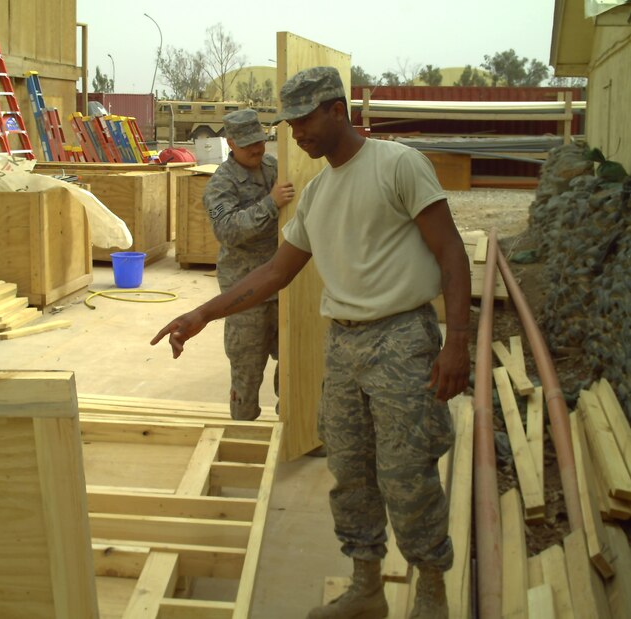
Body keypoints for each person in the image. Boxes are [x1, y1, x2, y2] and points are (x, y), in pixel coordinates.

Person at [152, 67, 471, 619]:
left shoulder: (398, 165)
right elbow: (276, 272)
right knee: (349, 472)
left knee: (407, 473)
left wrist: (457, 342)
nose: (296, 134)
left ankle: (431, 592)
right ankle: (367, 587)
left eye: (304, 121)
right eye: (290, 124)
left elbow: (451, 252)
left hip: (401, 340)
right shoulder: (319, 193)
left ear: (336, 110)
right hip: (343, 346)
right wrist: (202, 313)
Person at [202, 108, 294, 420]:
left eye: (259, 141)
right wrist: (271, 204)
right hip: (246, 294)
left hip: (282, 285)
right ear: (230, 143)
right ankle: (243, 429)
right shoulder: (220, 183)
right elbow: (227, 230)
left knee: (292, 364)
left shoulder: (274, 167)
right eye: (248, 144)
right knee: (247, 371)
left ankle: (289, 425)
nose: (257, 149)